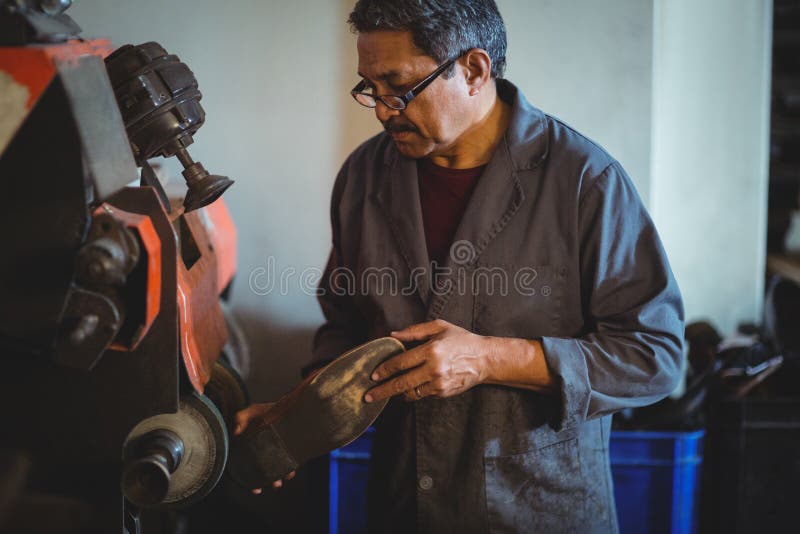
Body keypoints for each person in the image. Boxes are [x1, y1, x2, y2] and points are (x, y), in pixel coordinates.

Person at [239, 1, 684, 532]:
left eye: (397, 86)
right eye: (369, 88)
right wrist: (296, 420)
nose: (382, 109)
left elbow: (654, 356)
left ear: (473, 70)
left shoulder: (585, 182)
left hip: (537, 509)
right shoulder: (363, 176)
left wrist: (490, 359)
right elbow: (347, 329)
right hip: (403, 505)